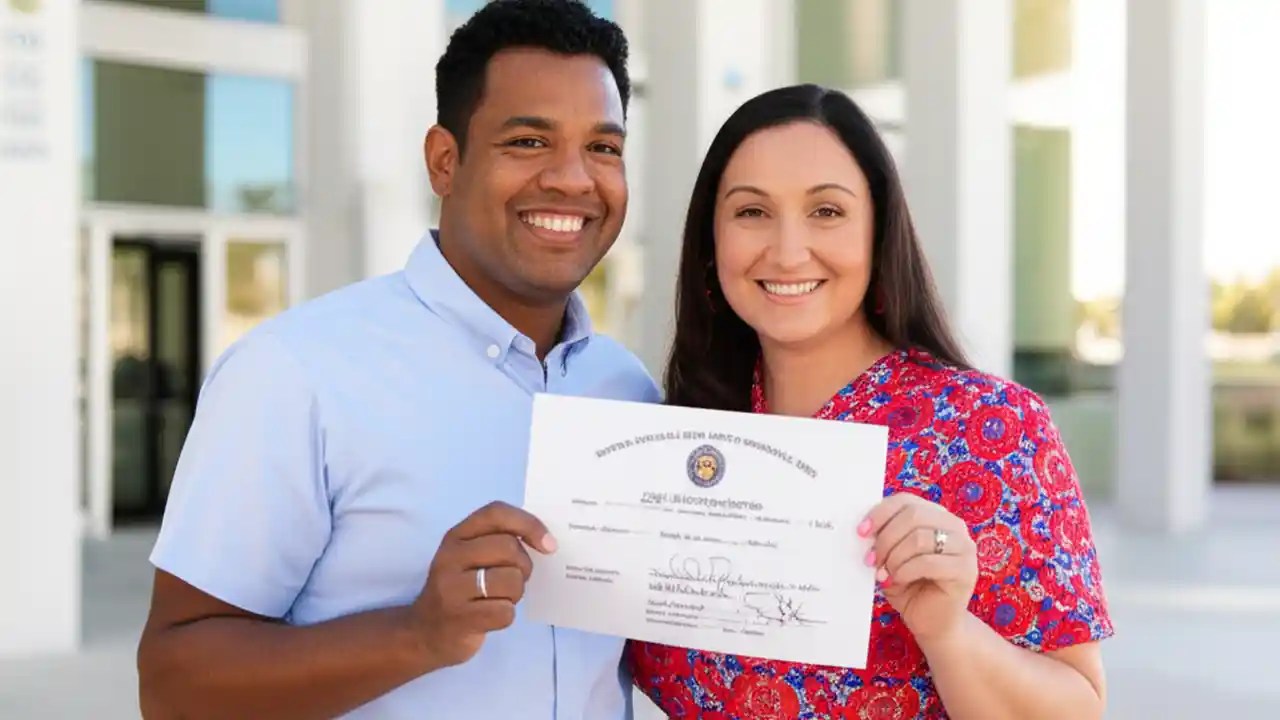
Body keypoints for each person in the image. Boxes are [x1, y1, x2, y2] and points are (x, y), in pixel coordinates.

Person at [135, 1, 656, 718]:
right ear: (445, 160)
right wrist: (417, 634)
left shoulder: (632, 394)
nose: (573, 179)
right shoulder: (294, 375)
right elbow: (171, 686)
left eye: (603, 147)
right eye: (530, 142)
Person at [627, 84, 1114, 719]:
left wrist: (947, 631)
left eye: (826, 211)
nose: (788, 250)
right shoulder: (683, 439)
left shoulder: (991, 430)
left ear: (878, 230)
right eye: (751, 212)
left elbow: (1077, 709)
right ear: (709, 243)